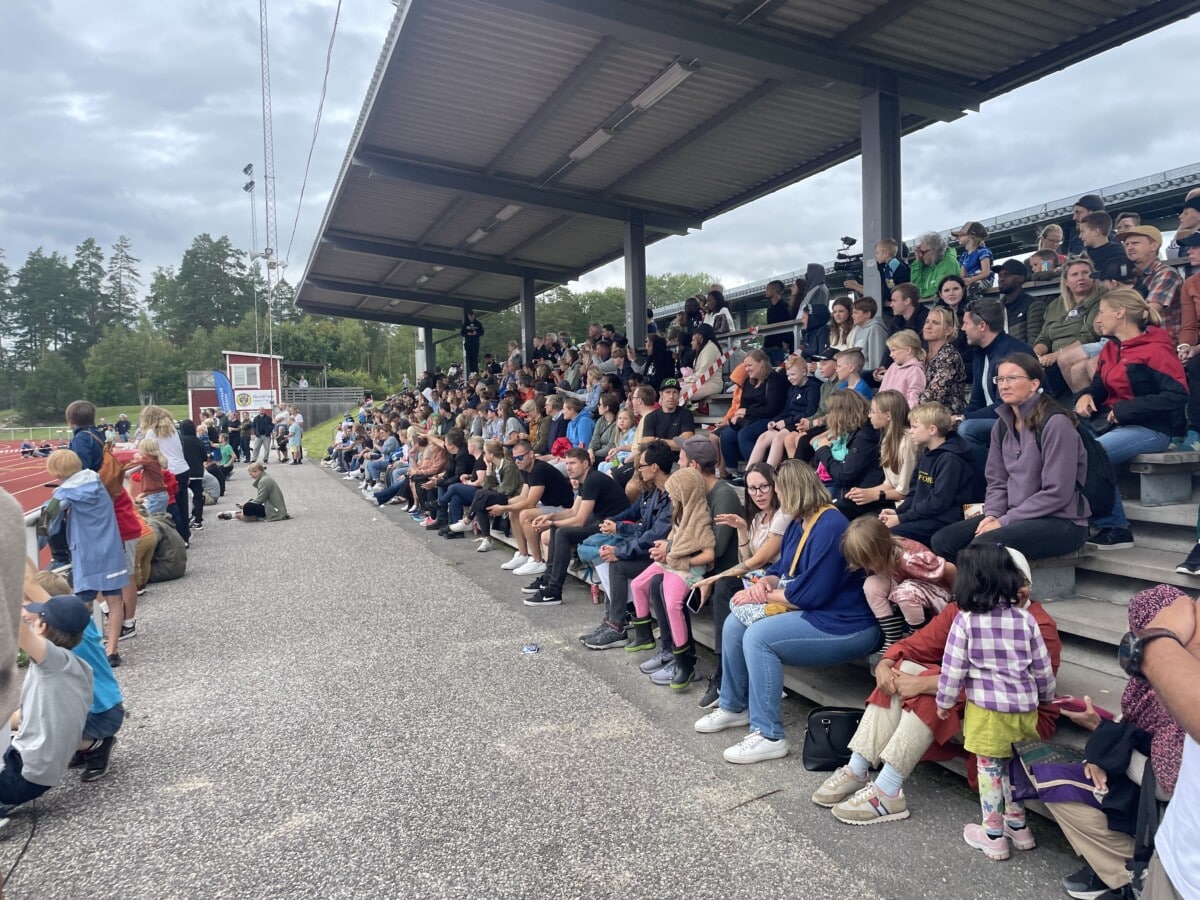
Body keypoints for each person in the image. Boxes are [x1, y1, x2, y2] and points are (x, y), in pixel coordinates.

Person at [813, 547, 1061, 830]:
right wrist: (887, 661)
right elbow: (915, 644)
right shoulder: (969, 610)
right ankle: (858, 768)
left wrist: (930, 683)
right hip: (973, 703)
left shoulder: (1037, 623)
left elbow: (1021, 689)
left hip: (1017, 716)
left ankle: (888, 790)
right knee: (903, 670)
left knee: (933, 692)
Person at [694, 461, 879, 764]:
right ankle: (734, 706)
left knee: (757, 637)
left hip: (845, 624)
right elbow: (781, 569)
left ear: (794, 490)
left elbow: (811, 595)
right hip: (817, 612)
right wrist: (764, 582)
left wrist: (763, 592)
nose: (776, 492)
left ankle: (769, 735)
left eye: (779, 487)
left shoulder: (830, 523)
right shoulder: (798, 520)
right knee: (735, 622)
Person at [1049, 584, 1187, 900]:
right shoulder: (1148, 685)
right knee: (1050, 779)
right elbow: (1134, 730)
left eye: (1140, 631)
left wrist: (1110, 752)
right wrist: (1101, 730)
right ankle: (1122, 870)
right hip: (1140, 799)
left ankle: (1136, 875)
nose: (1131, 639)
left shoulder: (1180, 693)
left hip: (1162, 814)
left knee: (1067, 786)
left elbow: (1167, 782)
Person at [935, 543, 1055, 861]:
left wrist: (944, 701)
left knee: (990, 769)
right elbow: (1041, 666)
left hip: (987, 711)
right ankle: (1019, 827)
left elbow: (953, 667)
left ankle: (993, 834)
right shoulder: (1026, 619)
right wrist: (1047, 698)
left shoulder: (966, 621)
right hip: (1025, 710)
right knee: (1014, 769)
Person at [933, 354, 1090, 562]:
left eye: (1012, 378)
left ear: (1034, 384)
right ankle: (964, 589)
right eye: (1000, 379)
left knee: (983, 546)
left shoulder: (1056, 423)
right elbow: (997, 481)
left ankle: (991, 593)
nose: (1004, 385)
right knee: (943, 540)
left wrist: (1006, 520)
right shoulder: (1001, 425)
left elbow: (1057, 493)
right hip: (1015, 514)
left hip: (1061, 520)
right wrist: (993, 514)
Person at [1075, 289, 1187, 548]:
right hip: (1114, 423)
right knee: (1068, 441)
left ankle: (1115, 527)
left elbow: (1177, 395)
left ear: (1120, 312)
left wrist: (1126, 410)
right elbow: (1098, 387)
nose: (1099, 319)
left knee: (1093, 454)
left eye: (1102, 312)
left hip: (1152, 428)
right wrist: (1086, 395)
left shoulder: (1157, 350)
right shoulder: (1111, 348)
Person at [689, 462, 790, 709]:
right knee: (724, 587)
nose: (759, 494)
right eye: (753, 489)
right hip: (757, 579)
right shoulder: (756, 519)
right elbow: (748, 561)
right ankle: (723, 671)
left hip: (776, 583)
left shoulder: (783, 516)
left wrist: (710, 579)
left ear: (775, 486)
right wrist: (743, 530)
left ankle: (723, 673)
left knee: (723, 586)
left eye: (764, 486)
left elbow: (758, 561)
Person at [625, 468, 716, 690]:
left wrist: (682, 561)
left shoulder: (700, 516)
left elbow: (709, 554)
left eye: (674, 493)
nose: (671, 497)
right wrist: (662, 549)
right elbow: (671, 540)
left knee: (673, 604)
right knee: (638, 584)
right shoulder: (680, 511)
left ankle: (685, 664)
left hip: (686, 569)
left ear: (685, 492)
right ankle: (645, 636)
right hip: (671, 562)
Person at [8, 567, 92, 808]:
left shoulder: (52, 662)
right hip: (42, 774)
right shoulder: (78, 666)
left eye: (35, 616)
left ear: (42, 628)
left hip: (21, 775)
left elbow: (19, 632)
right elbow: (32, 716)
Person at [583, 441, 676, 650]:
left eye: (641, 466)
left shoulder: (672, 495)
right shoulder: (656, 492)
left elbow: (653, 535)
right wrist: (617, 533)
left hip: (660, 556)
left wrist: (621, 549)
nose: (638, 471)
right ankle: (611, 621)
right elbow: (643, 528)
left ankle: (616, 626)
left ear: (654, 467)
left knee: (617, 563)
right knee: (606, 555)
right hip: (648, 550)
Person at [43, 450, 130, 669]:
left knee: (84, 602)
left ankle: (87, 648)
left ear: (56, 471)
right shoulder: (97, 481)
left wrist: (40, 541)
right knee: (114, 599)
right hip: (110, 545)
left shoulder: (64, 493)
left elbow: (48, 521)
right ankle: (112, 649)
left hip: (86, 551)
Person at [33, 569, 122, 783]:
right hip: (100, 709)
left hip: (100, 715)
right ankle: (84, 746)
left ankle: (98, 745)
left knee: (43, 733)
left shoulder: (69, 631)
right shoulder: (81, 625)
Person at [524, 448, 628, 607]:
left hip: (614, 527)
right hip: (601, 522)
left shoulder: (594, 480)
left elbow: (579, 520)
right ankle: (547, 581)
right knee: (557, 529)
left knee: (562, 532)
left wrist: (553, 523)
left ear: (586, 464)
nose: (568, 467)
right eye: (566, 463)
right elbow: (573, 511)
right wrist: (551, 517)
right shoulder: (585, 481)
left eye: (572, 463)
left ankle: (553, 591)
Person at [842, 516, 953, 649]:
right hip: (906, 585)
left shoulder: (911, 560)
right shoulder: (886, 557)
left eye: (869, 561)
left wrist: (956, 595)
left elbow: (949, 568)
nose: (868, 567)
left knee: (904, 593)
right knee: (871, 585)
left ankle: (918, 637)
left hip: (937, 592)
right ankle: (893, 636)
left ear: (881, 548)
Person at [955, 301, 1035, 473]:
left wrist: (962, 419)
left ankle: (990, 484)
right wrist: (962, 416)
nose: (962, 328)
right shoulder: (979, 352)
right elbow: (976, 400)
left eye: (966, 323)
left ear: (982, 326)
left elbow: (1005, 406)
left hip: (1024, 419)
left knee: (967, 429)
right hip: (997, 417)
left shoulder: (1013, 353)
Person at [882, 402, 975, 545]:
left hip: (943, 520)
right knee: (876, 527)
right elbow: (914, 492)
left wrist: (902, 519)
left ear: (932, 430)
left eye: (914, 427)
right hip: (925, 516)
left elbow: (938, 503)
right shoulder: (928, 453)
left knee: (886, 535)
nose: (911, 431)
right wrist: (899, 512)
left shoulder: (950, 459)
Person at [493, 439, 575, 576]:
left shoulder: (539, 469)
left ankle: (537, 561)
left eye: (520, 457)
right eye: (514, 458)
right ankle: (523, 554)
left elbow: (530, 503)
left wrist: (503, 509)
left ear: (531, 454)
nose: (517, 461)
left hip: (564, 509)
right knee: (514, 511)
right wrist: (505, 504)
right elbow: (523, 496)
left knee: (525, 514)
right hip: (549, 505)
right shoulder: (525, 469)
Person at [834, 390, 917, 521]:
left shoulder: (908, 443)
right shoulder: (886, 439)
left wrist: (874, 495)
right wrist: (865, 492)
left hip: (901, 504)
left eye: (872, 411)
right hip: (889, 496)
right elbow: (889, 483)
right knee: (840, 506)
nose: (869, 415)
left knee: (863, 523)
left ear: (888, 416)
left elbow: (904, 491)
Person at [1034, 256, 1105, 396]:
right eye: (1074, 274)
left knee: (1045, 380)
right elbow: (1044, 337)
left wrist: (1057, 355)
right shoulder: (1055, 305)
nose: (1081, 277)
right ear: (1066, 281)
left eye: (1085, 273)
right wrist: (1036, 355)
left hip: (1081, 353)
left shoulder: (1100, 299)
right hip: (1051, 358)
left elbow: (1089, 336)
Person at [719, 351, 787, 478]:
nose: (746, 369)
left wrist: (747, 412)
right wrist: (737, 415)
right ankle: (732, 472)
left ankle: (757, 473)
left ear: (761, 364)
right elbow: (743, 404)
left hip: (768, 418)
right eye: (745, 366)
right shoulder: (748, 382)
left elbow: (773, 408)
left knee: (745, 435)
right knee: (727, 434)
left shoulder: (774, 379)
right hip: (749, 419)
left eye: (749, 365)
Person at [746, 354, 820, 468]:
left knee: (779, 437)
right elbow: (786, 410)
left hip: (800, 423)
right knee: (763, 437)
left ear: (804, 372)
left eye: (793, 374)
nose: (790, 378)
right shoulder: (792, 388)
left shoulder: (812, 387)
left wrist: (786, 422)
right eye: (788, 375)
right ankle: (749, 472)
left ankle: (768, 473)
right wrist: (775, 421)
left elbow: (810, 412)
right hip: (789, 421)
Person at [1119, 225, 1184, 339]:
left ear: (1154, 245)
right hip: (1144, 341)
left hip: (1166, 342)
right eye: (1126, 244)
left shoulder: (1166, 273)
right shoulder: (1136, 277)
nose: (1129, 247)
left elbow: (1149, 312)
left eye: (1135, 243)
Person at [463, 442, 523, 553]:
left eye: (485, 453)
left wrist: (491, 489)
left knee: (482, 495)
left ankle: (469, 520)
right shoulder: (495, 466)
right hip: (501, 494)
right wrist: (489, 470)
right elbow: (486, 486)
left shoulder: (509, 466)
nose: (484, 455)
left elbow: (506, 490)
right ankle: (486, 538)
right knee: (481, 500)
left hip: (512, 497)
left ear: (491, 455)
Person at [918, 307, 967, 414]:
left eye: (935, 323)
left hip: (944, 415)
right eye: (927, 321)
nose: (928, 326)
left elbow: (935, 394)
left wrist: (906, 405)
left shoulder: (949, 356)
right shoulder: (921, 355)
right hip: (921, 412)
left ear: (948, 330)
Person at [843, 239, 911, 297]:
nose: (875, 256)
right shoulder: (898, 264)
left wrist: (856, 286)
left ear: (886, 254)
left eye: (877, 253)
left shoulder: (889, 267)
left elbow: (887, 291)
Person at [879, 330, 926, 408]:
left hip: (900, 416)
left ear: (908, 350)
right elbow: (882, 391)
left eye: (893, 350)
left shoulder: (915, 371)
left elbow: (913, 399)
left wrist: (905, 416)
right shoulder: (892, 367)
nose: (890, 355)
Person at [910, 231, 960, 300]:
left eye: (922, 252)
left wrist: (919, 294)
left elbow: (940, 289)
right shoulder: (929, 264)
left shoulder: (948, 262)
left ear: (933, 251)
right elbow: (915, 286)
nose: (920, 255)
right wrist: (918, 261)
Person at [178, 420, 208, 531]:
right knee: (197, 497)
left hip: (184, 471)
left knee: (184, 497)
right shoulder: (198, 441)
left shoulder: (181, 441)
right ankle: (198, 520)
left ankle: (185, 519)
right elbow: (205, 457)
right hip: (197, 472)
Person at [682, 324, 723, 405]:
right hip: (702, 382)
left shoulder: (710, 348)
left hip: (711, 384)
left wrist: (685, 379)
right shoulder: (705, 348)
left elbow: (703, 374)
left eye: (693, 339)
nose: (691, 342)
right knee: (672, 390)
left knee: (677, 393)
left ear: (700, 336)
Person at [849, 296, 888, 372]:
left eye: (856, 313)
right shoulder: (858, 329)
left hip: (868, 375)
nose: (852, 316)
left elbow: (877, 357)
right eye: (852, 313)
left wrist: (874, 374)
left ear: (867, 314)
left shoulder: (875, 328)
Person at [953, 221, 994, 289]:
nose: (959, 237)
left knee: (974, 286)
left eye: (962, 235)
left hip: (984, 281)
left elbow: (986, 273)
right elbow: (962, 275)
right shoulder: (964, 255)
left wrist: (972, 279)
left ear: (971, 236)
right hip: (969, 281)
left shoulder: (983, 252)